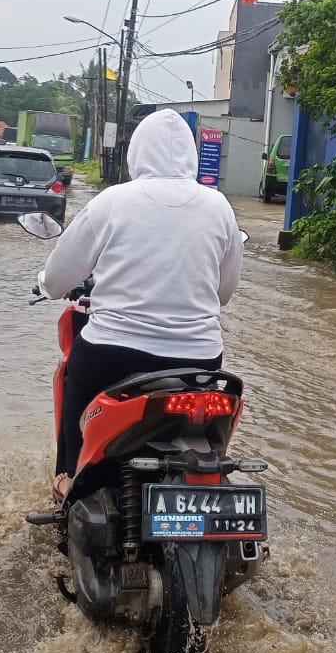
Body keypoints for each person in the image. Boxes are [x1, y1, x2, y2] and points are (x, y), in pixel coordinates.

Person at [35, 109, 244, 501]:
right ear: (190, 153)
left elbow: (60, 275)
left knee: (72, 373)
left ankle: (68, 476)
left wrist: (46, 286)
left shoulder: (112, 201)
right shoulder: (219, 207)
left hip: (114, 354)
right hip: (199, 360)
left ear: (137, 153)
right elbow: (224, 293)